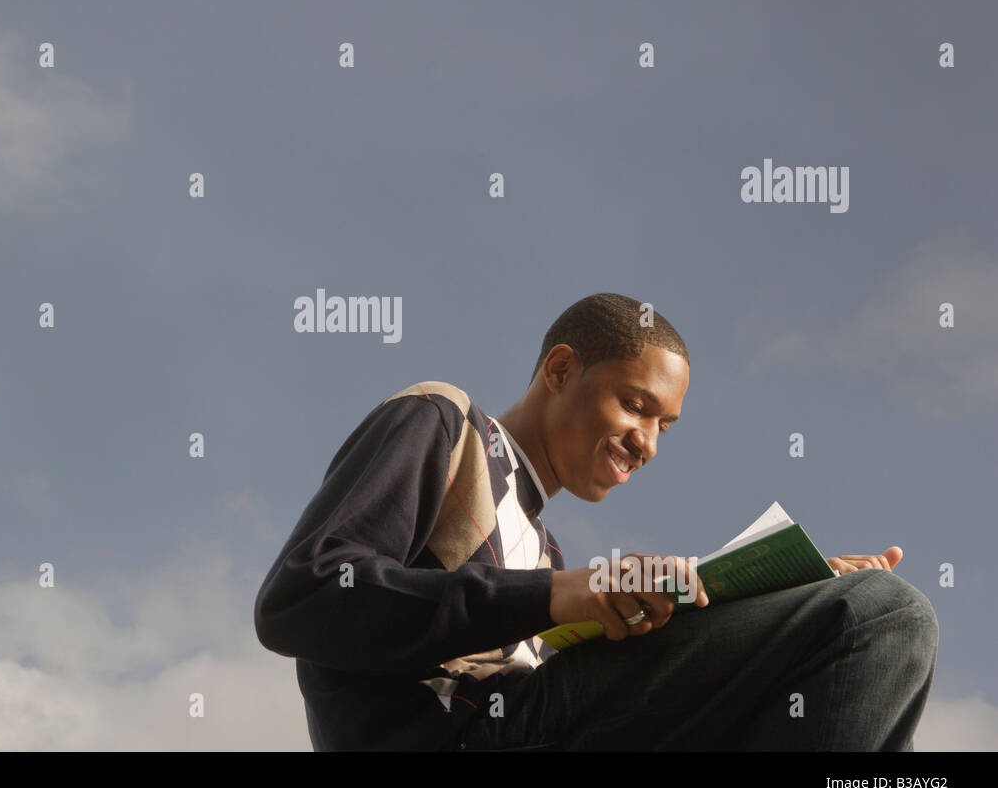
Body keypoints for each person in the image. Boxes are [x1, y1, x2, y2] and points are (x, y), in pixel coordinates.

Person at [253, 292, 939, 751]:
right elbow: (302, 597)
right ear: (559, 370)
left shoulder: (544, 550)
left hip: (536, 721)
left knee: (848, 645)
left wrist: (787, 603)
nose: (649, 442)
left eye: (665, 425)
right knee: (881, 615)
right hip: (462, 734)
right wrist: (558, 594)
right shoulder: (446, 423)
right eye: (637, 406)